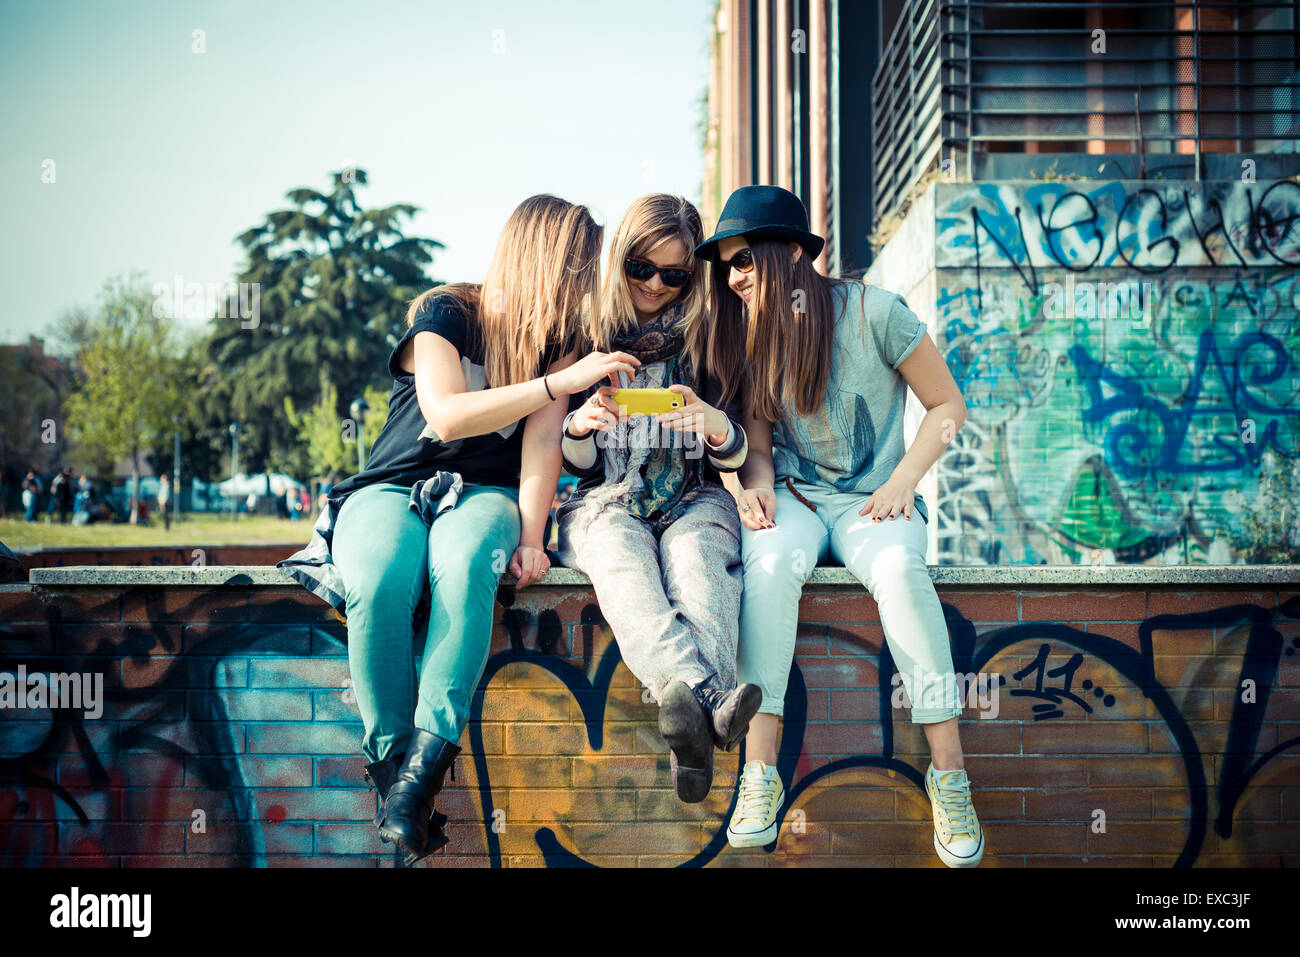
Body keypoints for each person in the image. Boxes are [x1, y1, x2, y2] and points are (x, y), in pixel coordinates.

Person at [279, 194, 641, 865]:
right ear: (550, 264)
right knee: (382, 577)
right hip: (390, 486)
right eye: (579, 270)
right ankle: (394, 774)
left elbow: (541, 451)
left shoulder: (563, 346)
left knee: (469, 561)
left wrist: (532, 537)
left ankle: (420, 778)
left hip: (488, 496)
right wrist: (558, 381)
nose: (587, 286)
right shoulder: (442, 312)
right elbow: (444, 416)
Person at [696, 185, 984, 867]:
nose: (734, 276)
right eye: (727, 264)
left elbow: (948, 406)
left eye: (745, 259)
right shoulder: (751, 338)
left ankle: (950, 774)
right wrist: (756, 491)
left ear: (793, 254)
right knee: (765, 567)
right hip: (796, 496)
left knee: (898, 570)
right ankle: (759, 776)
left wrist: (904, 479)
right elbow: (760, 446)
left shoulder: (877, 313)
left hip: (872, 501)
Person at [554, 193, 759, 803]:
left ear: (693, 275)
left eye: (674, 275)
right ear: (620, 260)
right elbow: (571, 462)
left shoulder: (717, 333)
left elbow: (743, 449)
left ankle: (689, 723)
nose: (654, 286)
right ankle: (709, 704)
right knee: (620, 563)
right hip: (605, 499)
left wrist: (714, 425)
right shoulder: (585, 333)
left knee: (699, 563)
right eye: (640, 267)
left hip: (695, 494)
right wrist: (581, 427)